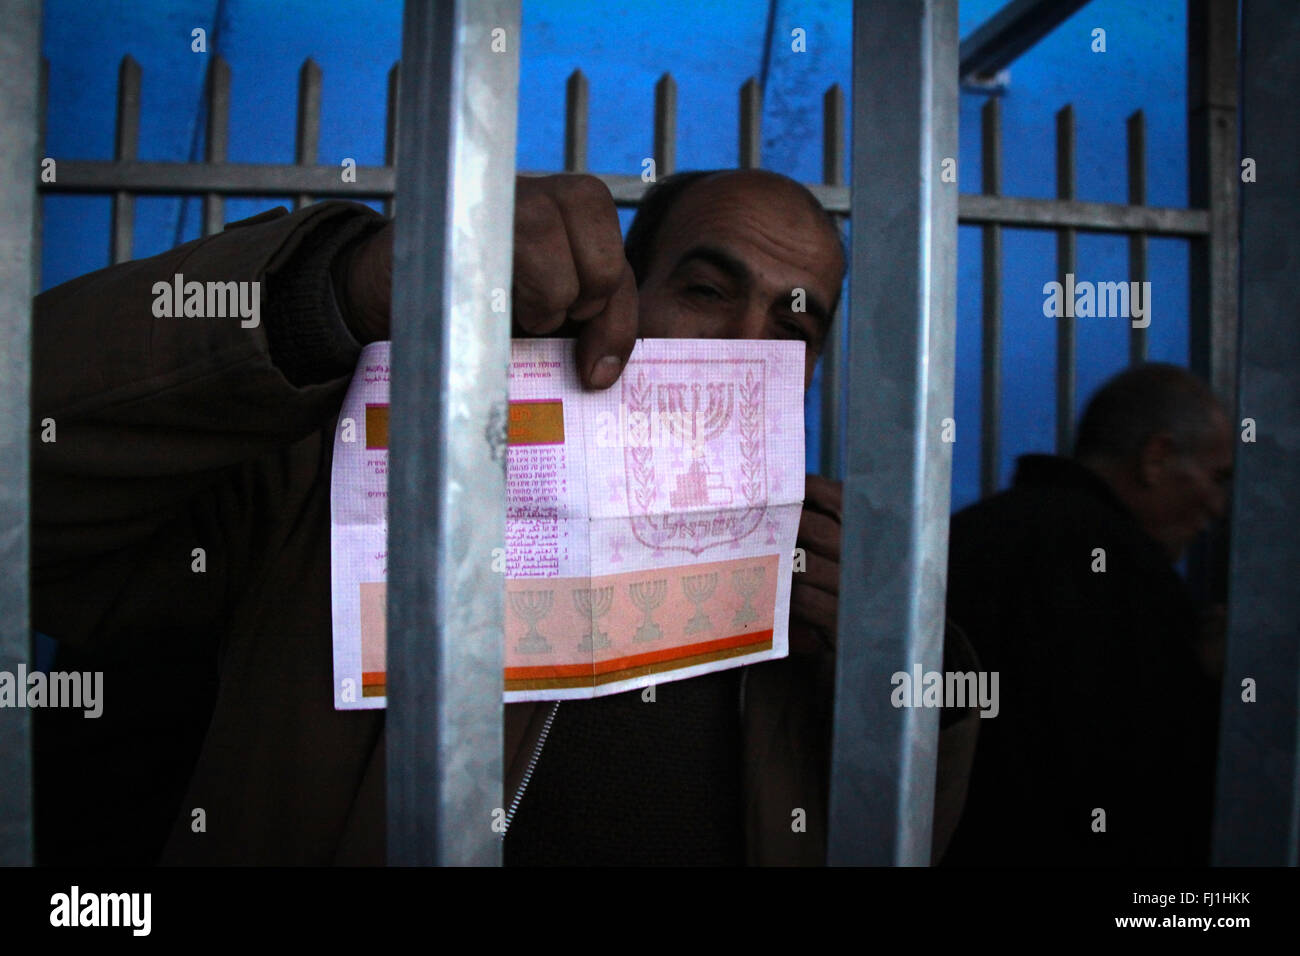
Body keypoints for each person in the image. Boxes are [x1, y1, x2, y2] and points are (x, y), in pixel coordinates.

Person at [32, 168, 971, 865]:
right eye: (708, 290)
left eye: (794, 322)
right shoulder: (356, 484)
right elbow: (33, 494)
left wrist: (905, 682)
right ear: (618, 296)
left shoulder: (831, 597)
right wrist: (340, 289)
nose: (743, 345)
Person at [940, 363, 1231, 866]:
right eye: (1217, 476)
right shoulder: (1136, 576)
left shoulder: (966, 537)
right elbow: (1152, 772)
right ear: (1155, 458)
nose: (1219, 506)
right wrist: (1201, 675)